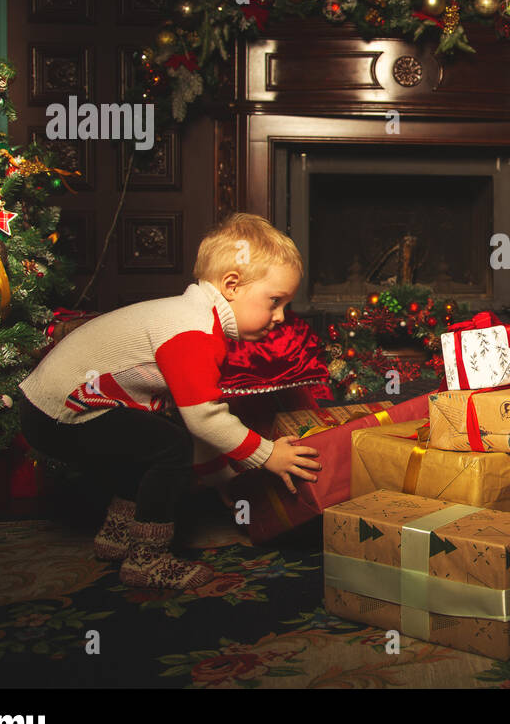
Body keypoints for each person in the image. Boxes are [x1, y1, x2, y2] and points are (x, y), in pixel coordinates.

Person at [18, 213, 322, 590]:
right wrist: (266, 454)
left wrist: (221, 476)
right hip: (57, 413)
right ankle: (148, 559)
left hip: (52, 406)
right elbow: (205, 421)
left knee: (152, 440)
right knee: (168, 446)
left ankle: (118, 534)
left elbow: (189, 416)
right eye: (274, 301)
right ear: (231, 285)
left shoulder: (194, 318)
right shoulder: (192, 330)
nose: (279, 317)